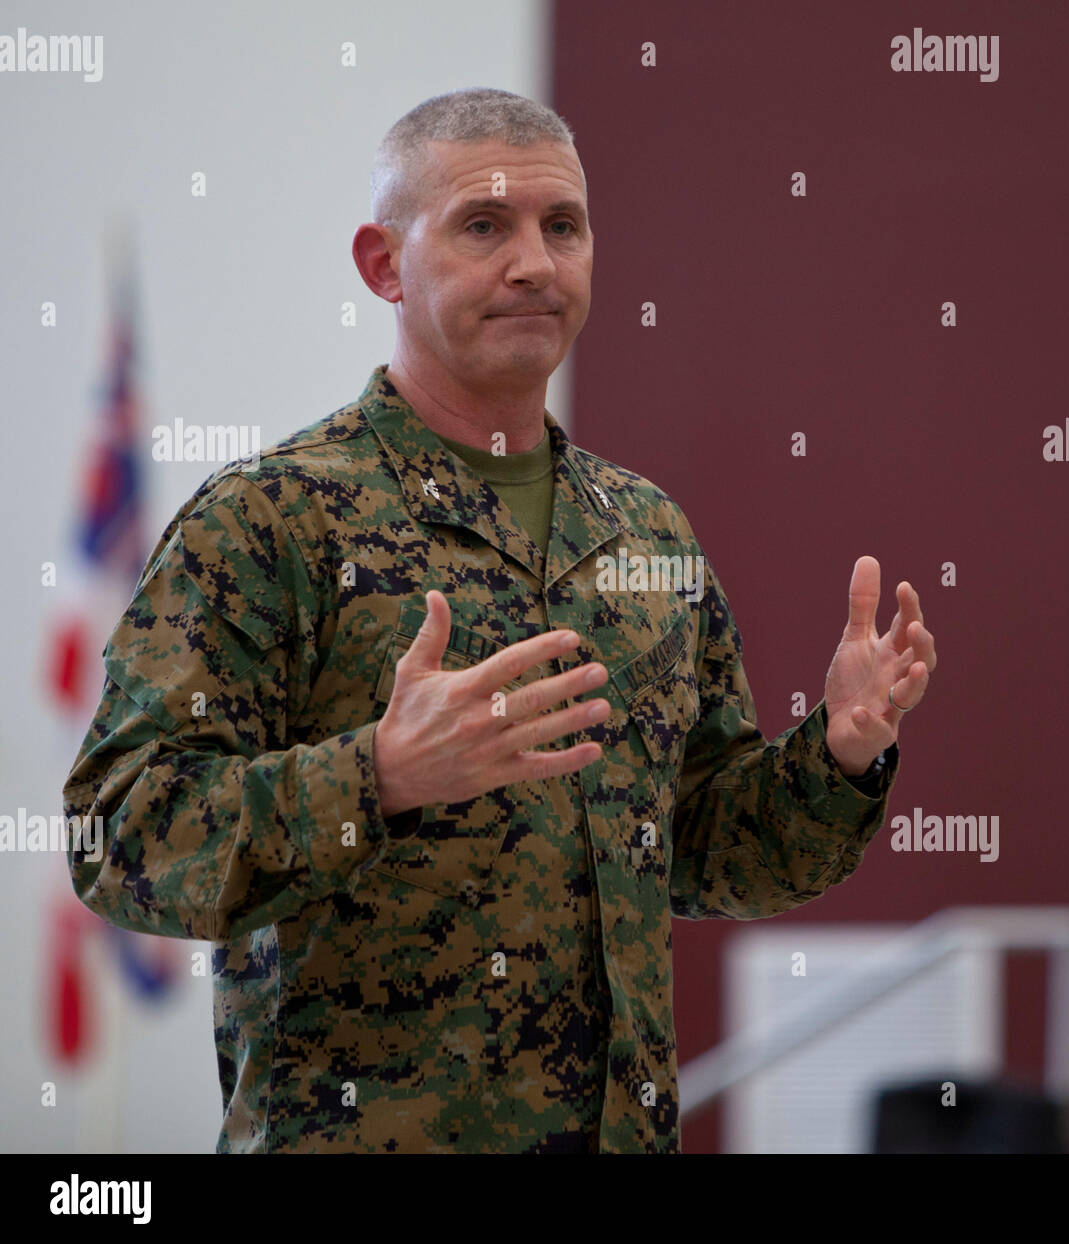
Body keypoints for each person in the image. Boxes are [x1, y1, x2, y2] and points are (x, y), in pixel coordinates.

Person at [63, 87, 937, 1154]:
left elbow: (705, 848)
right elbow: (121, 832)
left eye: (561, 226)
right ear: (383, 264)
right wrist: (375, 775)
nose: (534, 262)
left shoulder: (644, 532)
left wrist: (839, 756)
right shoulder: (271, 521)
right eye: (484, 226)